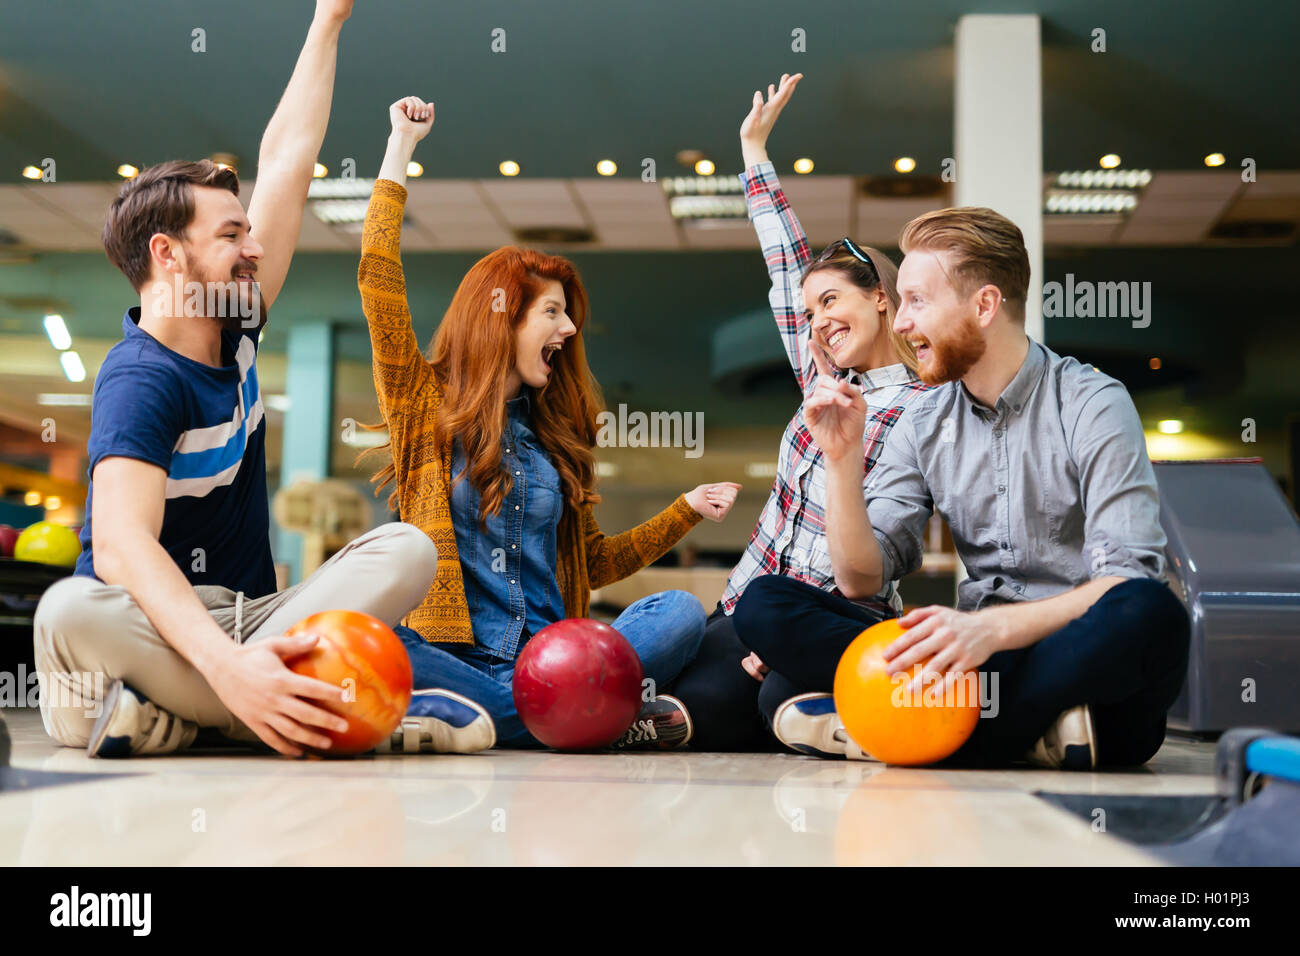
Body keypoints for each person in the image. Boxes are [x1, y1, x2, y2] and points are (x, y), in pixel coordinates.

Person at [33, 0, 493, 760]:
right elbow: (119, 548)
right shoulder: (140, 378)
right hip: (151, 622)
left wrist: (328, 20)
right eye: (231, 234)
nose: (253, 246)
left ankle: (180, 721)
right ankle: (289, 708)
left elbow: (287, 157)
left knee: (409, 549)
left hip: (258, 618)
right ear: (169, 255)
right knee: (68, 611)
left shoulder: (236, 319)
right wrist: (230, 671)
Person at [735, 204, 1190, 768]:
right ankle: (1028, 733)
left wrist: (990, 630)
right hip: (970, 659)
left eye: (918, 302)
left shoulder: (1092, 402)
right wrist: (842, 459)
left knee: (1150, 612)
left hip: (1065, 644)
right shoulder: (924, 420)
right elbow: (861, 579)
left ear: (984, 305)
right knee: (766, 604)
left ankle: (916, 731)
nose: (901, 323)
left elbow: (1126, 578)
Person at [357, 96, 742, 751]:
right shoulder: (423, 409)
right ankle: (587, 717)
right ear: (501, 317)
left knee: (677, 612)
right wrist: (400, 149)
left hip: (558, 654)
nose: (568, 330)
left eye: (569, 317)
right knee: (380, 642)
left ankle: (516, 718)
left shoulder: (555, 444)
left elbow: (593, 562)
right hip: (464, 657)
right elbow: (379, 284)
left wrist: (682, 510)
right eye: (553, 313)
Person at [669, 74, 929, 753]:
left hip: (829, 608)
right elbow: (784, 262)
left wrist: (774, 634)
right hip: (751, 597)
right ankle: (804, 699)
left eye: (833, 301)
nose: (817, 320)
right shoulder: (823, 374)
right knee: (697, 701)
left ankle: (809, 688)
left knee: (769, 673)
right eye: (810, 311)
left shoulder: (926, 407)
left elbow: (871, 563)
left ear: (882, 298)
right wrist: (753, 150)